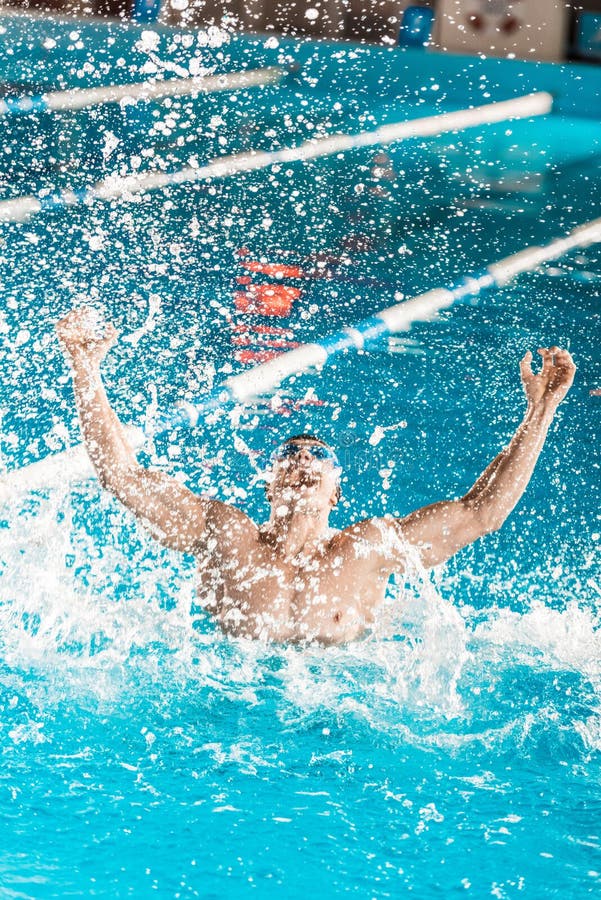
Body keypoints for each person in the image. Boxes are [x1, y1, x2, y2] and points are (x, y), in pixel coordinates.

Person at [56, 308, 576, 645]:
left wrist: (541, 411)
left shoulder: (368, 547)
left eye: (318, 455)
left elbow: (481, 512)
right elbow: (121, 475)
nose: (303, 459)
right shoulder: (225, 535)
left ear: (337, 490)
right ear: (269, 486)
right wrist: (85, 368)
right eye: (290, 454)